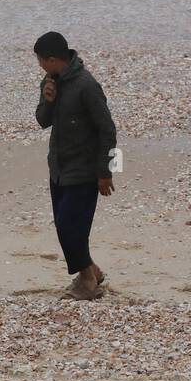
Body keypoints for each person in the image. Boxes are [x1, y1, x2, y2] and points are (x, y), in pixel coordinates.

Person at [32, 31, 118, 301]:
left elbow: (107, 130)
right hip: (58, 168)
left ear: (54, 59)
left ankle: (87, 281)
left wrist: (104, 172)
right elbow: (42, 121)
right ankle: (91, 269)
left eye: (41, 61)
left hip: (83, 171)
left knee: (72, 227)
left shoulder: (86, 85)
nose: (40, 66)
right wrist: (48, 100)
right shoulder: (50, 81)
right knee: (64, 226)